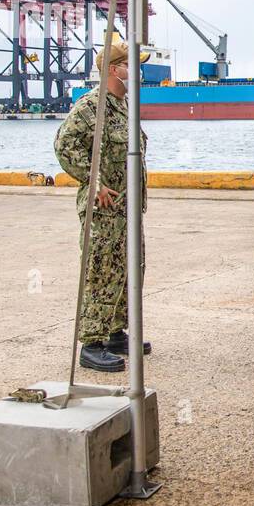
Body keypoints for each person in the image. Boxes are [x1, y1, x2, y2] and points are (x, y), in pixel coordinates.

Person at [54, 35, 149, 373]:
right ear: (113, 68)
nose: (136, 71)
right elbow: (65, 146)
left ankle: (115, 332)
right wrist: (93, 183)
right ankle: (91, 343)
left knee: (128, 269)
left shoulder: (123, 105)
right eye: (131, 65)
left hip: (127, 207)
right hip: (104, 209)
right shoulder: (91, 106)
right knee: (100, 271)